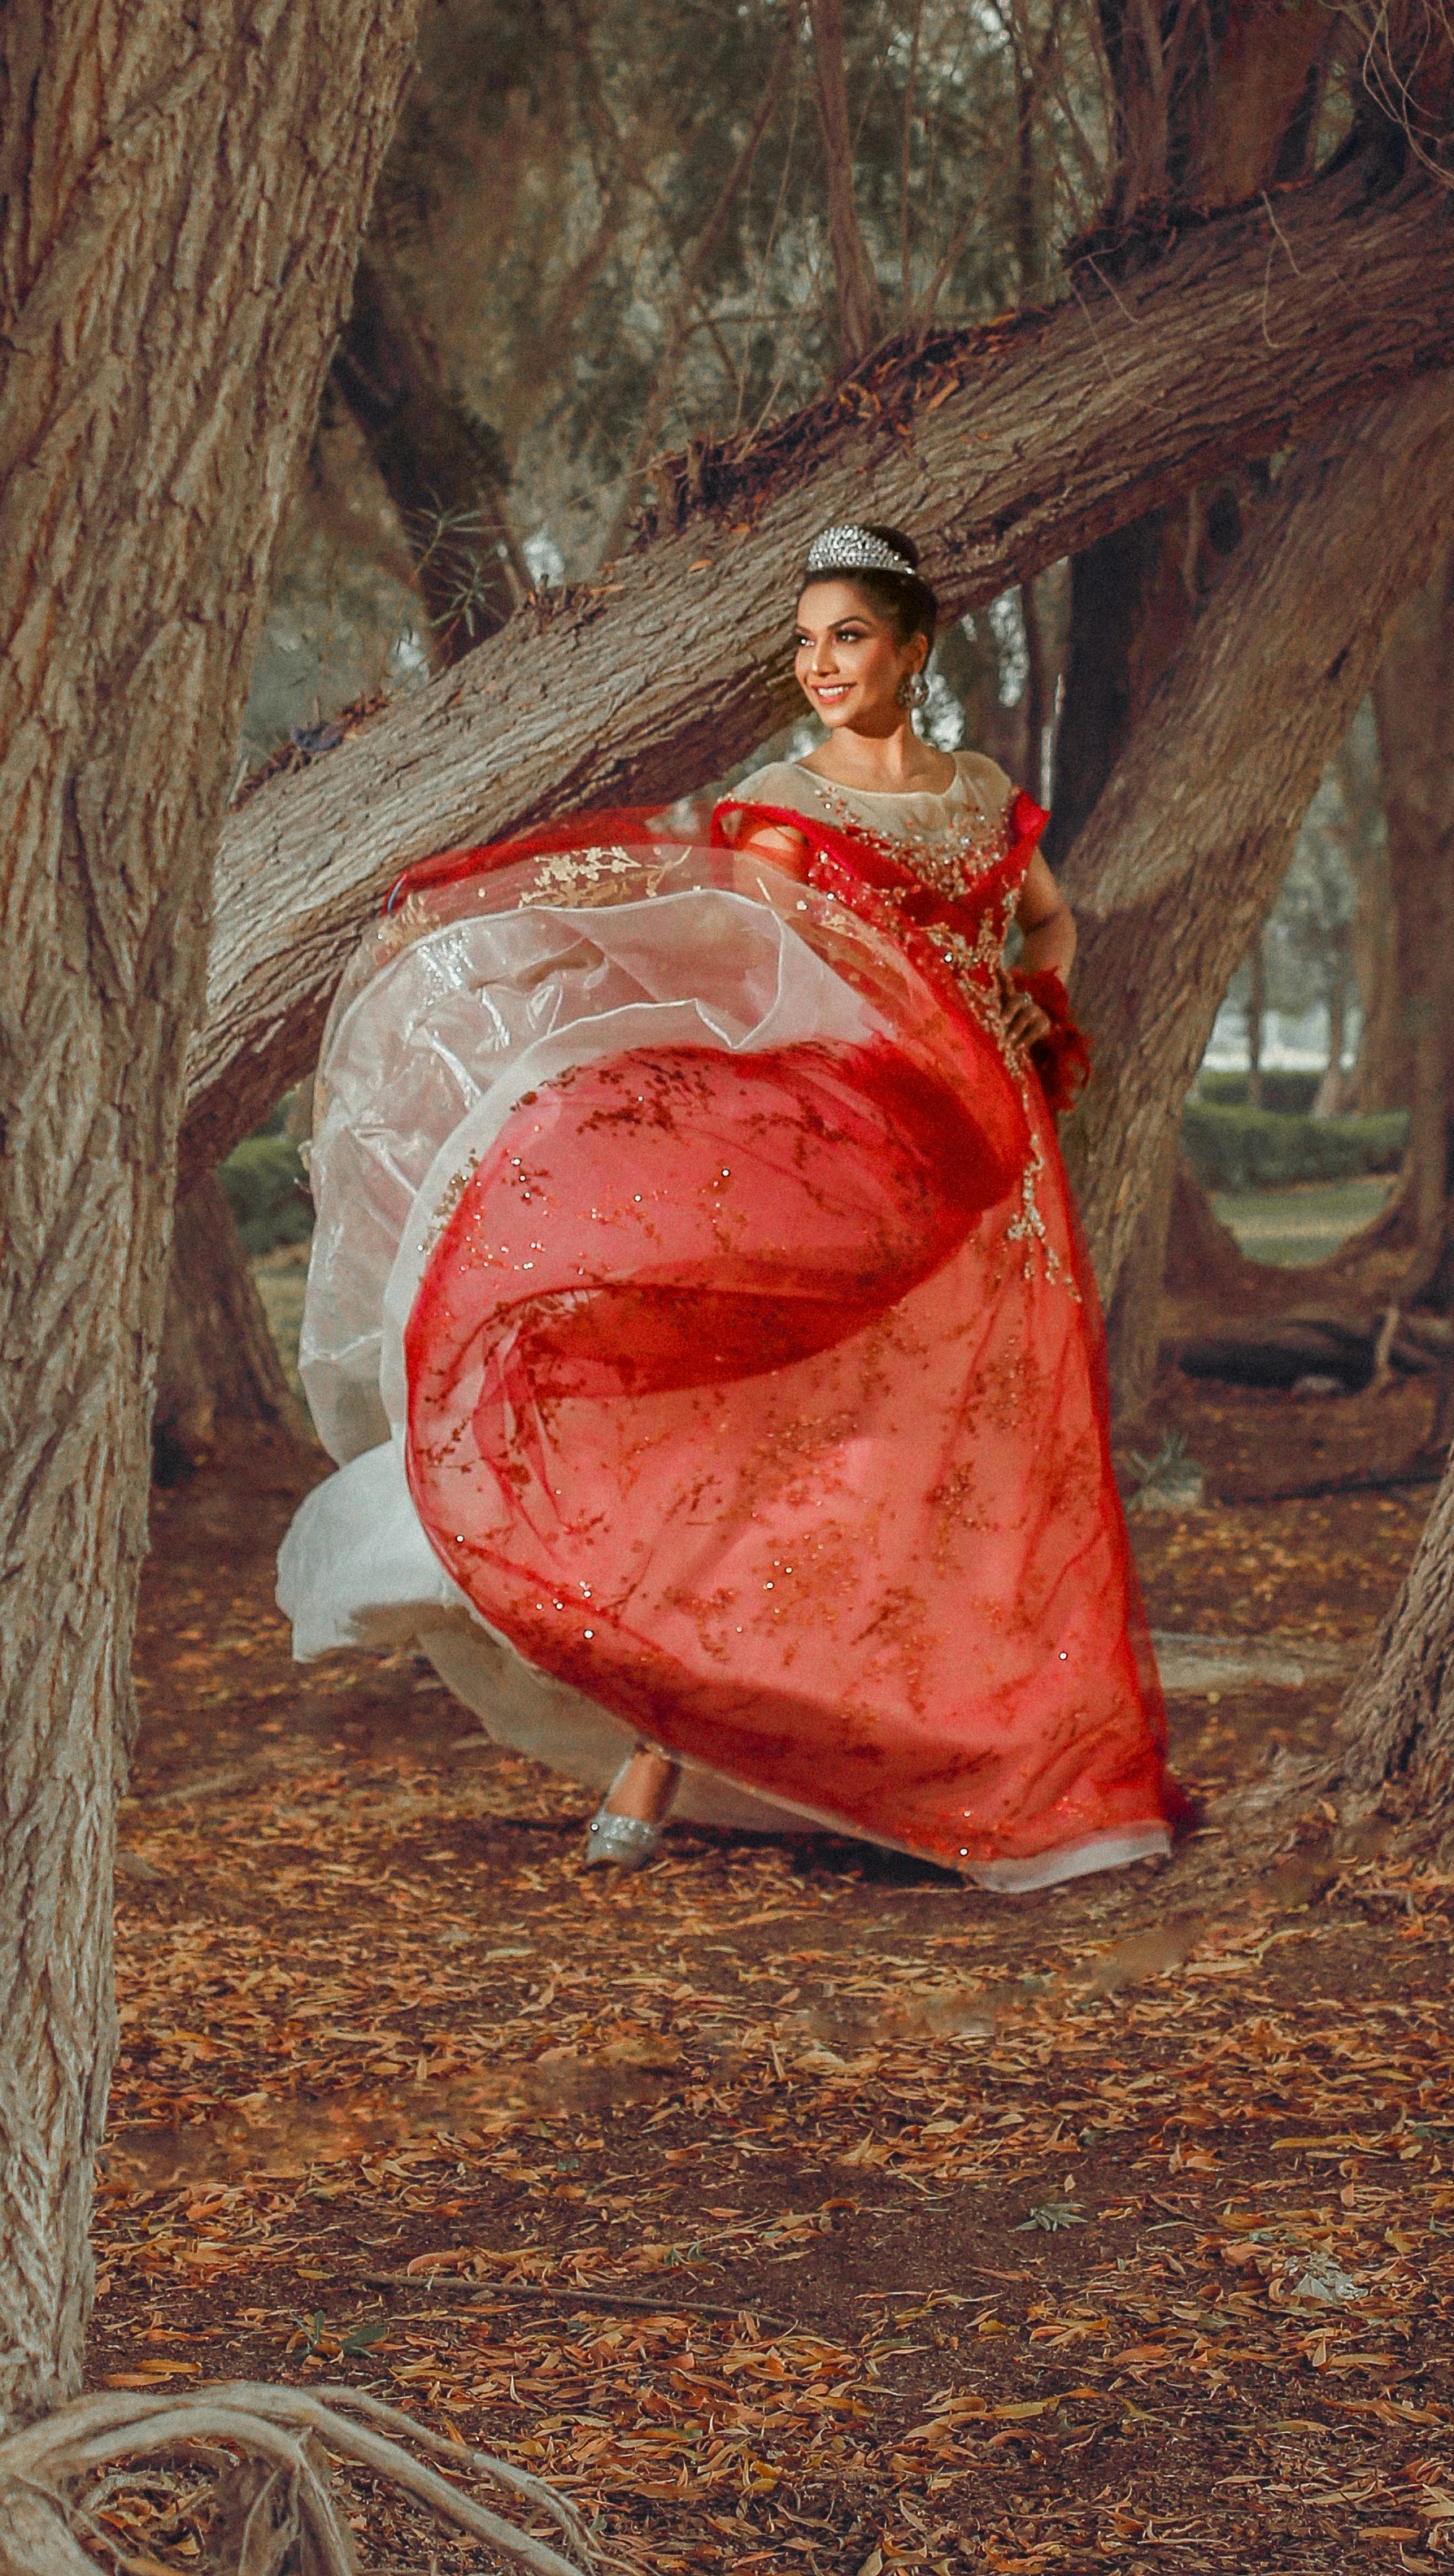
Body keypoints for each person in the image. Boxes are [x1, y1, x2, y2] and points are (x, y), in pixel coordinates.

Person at [273, 516, 1182, 1891]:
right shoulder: (781, 805)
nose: (822, 664)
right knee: (766, 1434)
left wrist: (1022, 996)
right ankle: (662, 1742)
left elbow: (1047, 919)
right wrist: (560, 974)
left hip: (996, 1171)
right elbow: (738, 969)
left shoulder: (987, 794)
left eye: (851, 638)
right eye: (808, 640)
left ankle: (973, 1751)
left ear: (913, 651)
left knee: (969, 1457)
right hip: (846, 1149)